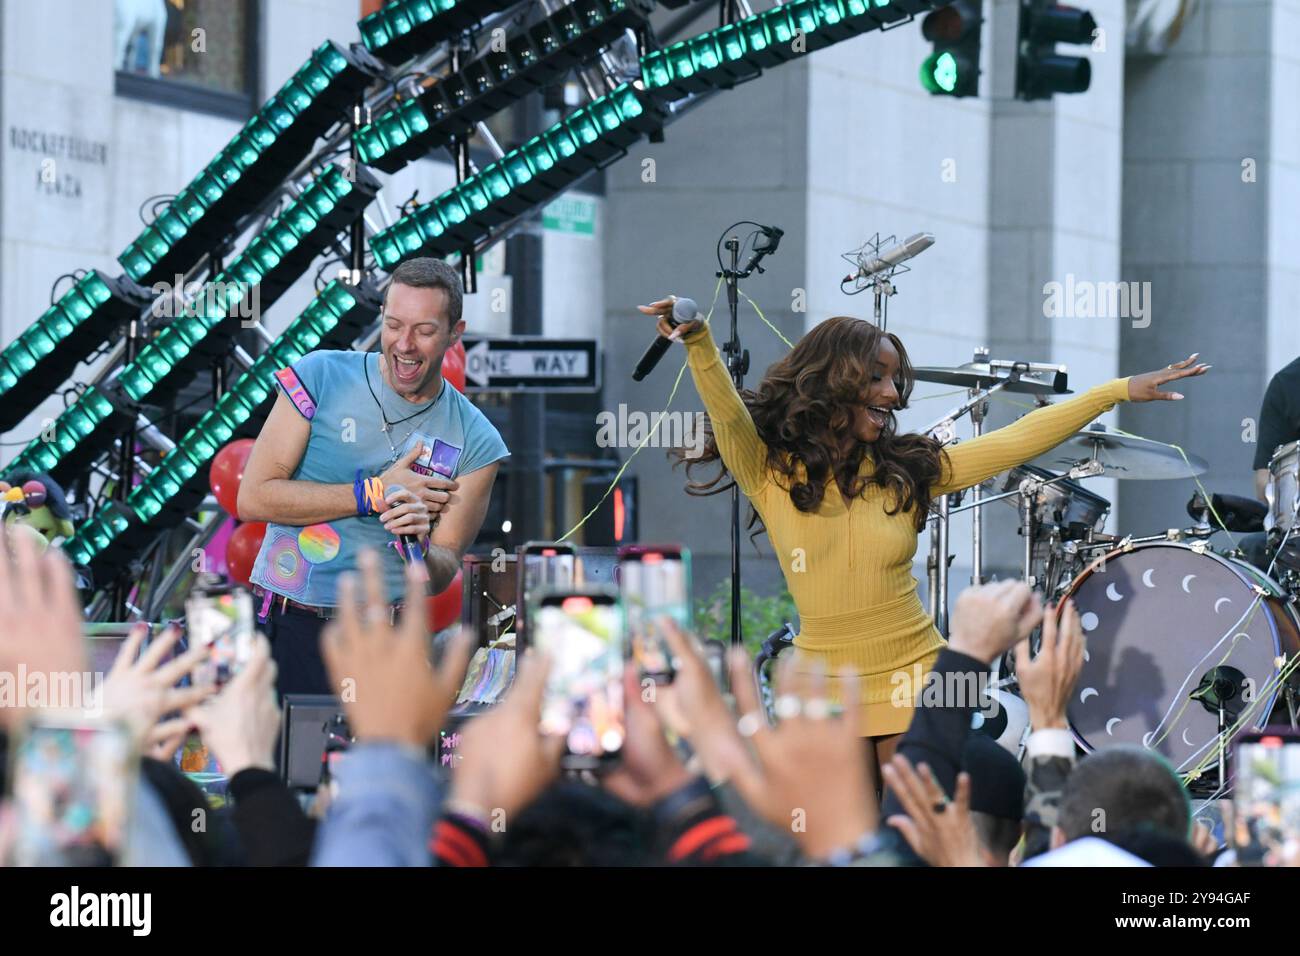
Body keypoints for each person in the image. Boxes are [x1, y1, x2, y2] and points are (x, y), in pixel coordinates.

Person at [637, 295, 1209, 790]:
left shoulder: (909, 470)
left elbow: (1016, 441)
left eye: (894, 380)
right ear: (835, 382)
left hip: (917, 677)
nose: (892, 394)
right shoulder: (770, 472)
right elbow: (728, 412)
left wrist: (1113, 392)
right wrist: (700, 339)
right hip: (825, 687)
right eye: (877, 378)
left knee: (923, 837)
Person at [239, 258, 509, 697]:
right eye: (393, 324)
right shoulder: (320, 375)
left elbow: (441, 570)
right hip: (286, 625)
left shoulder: (477, 440)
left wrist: (420, 546)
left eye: (424, 330)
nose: (404, 344)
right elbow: (253, 496)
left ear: (454, 333)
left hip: (386, 640)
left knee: (379, 767)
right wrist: (374, 493)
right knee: (278, 766)